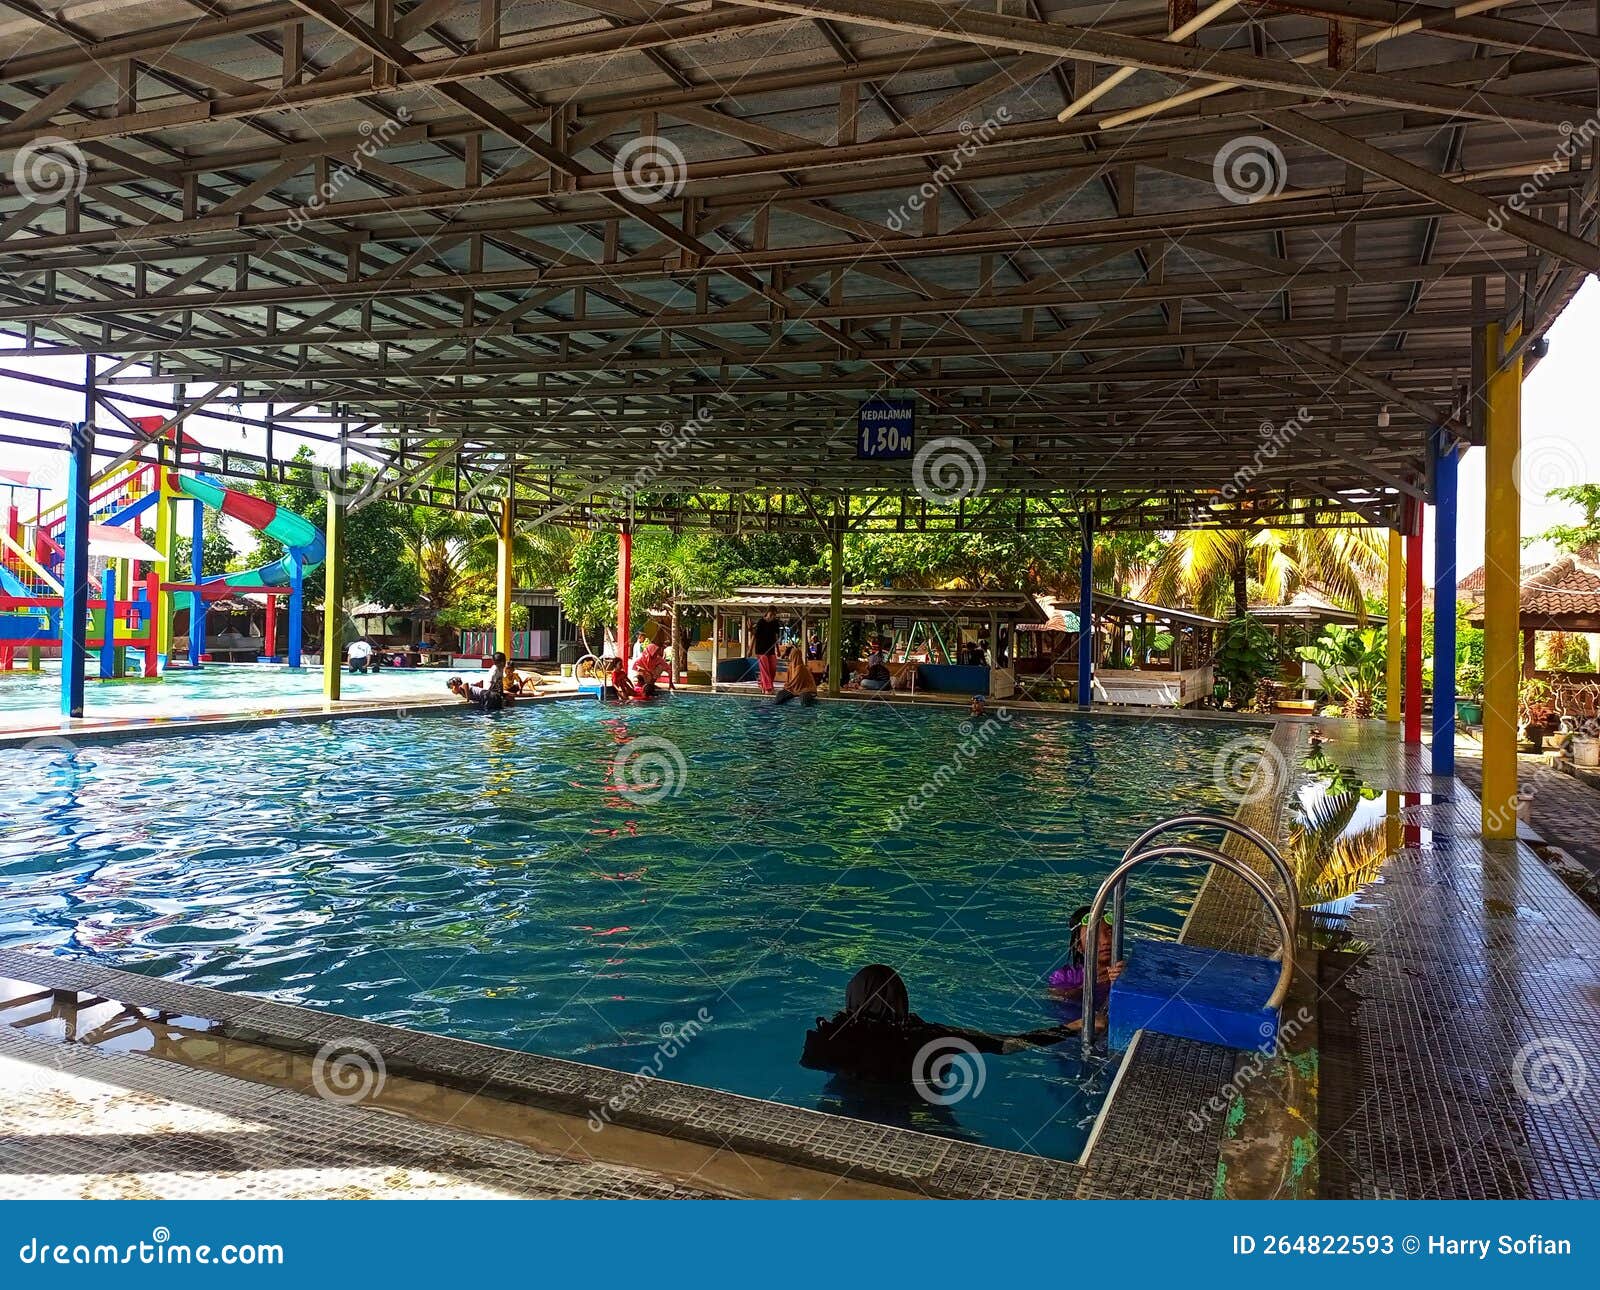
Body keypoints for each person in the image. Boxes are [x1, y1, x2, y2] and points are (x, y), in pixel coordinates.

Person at [801, 965, 1077, 1087]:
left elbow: (811, 1062)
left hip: (847, 1107)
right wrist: (1072, 1027)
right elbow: (1008, 1045)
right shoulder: (931, 1036)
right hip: (915, 1110)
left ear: (852, 997)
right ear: (901, 999)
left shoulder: (835, 1036)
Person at [1047, 904, 1125, 1032]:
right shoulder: (1064, 976)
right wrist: (1096, 983)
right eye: (1094, 935)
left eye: (1110, 932)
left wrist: (1126, 979)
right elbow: (1059, 998)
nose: (1105, 941)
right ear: (1078, 946)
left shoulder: (1125, 971)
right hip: (1071, 1033)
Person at [773, 640, 817, 706]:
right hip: (792, 689)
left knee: (804, 699)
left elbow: (796, 681)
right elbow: (788, 681)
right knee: (780, 695)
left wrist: (789, 687)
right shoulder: (790, 667)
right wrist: (787, 687)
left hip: (805, 689)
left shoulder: (802, 668)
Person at [752, 606, 780, 693]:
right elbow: (755, 636)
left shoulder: (775, 623)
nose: (772, 616)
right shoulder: (761, 622)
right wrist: (750, 649)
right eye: (771, 614)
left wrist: (778, 649)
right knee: (765, 669)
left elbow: (776, 637)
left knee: (773, 669)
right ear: (768, 613)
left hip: (771, 649)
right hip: (760, 649)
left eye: (774, 615)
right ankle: (768, 688)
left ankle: (762, 684)